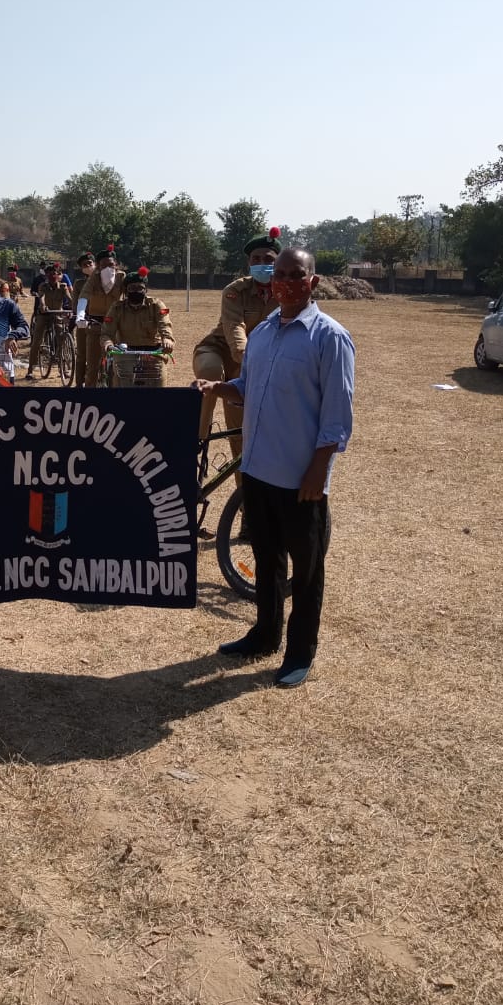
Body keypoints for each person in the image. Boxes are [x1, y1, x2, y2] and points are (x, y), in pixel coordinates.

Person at [194, 248, 354, 688]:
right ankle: (265, 635)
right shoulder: (263, 331)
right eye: (279, 275)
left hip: (300, 479)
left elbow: (338, 416)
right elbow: (248, 385)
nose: (284, 282)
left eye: (294, 275)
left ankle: (300, 653)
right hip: (258, 472)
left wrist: (318, 473)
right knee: (267, 562)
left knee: (305, 572)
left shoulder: (329, 337)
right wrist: (218, 386)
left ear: (312, 282)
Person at [193, 226, 282, 471]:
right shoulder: (235, 291)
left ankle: (244, 502)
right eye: (256, 259)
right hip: (221, 351)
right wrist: (248, 360)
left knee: (241, 434)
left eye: (268, 260)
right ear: (248, 263)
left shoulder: (285, 292)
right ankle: (197, 439)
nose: (262, 263)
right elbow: (235, 328)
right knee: (210, 372)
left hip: (252, 366)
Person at [101, 266, 174, 386]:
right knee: (123, 382)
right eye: (132, 288)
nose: (136, 291)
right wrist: (108, 344)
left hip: (153, 352)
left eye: (140, 288)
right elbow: (106, 332)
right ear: (125, 291)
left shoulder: (156, 305)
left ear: (146, 290)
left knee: (158, 384)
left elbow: (165, 325)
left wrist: (167, 339)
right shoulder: (117, 308)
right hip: (125, 352)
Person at [75, 245, 126, 386]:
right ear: (98, 266)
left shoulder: (122, 277)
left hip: (116, 326)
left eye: (111, 265)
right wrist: (80, 315)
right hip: (96, 325)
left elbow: (129, 294)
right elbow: (84, 296)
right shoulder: (94, 279)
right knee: (92, 368)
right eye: (104, 265)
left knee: (120, 368)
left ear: (116, 264)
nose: (108, 268)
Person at [25, 264, 73, 381]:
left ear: (58, 275)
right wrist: (42, 305)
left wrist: (72, 309)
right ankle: (31, 369)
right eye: (49, 273)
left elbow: (69, 298)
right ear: (46, 275)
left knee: (62, 340)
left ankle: (64, 367)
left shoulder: (63, 286)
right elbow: (41, 297)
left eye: (54, 273)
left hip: (57, 314)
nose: (52, 276)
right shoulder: (43, 285)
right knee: (37, 341)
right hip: (44, 315)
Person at [70, 252, 96, 386]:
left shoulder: (105, 280)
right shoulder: (79, 284)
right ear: (81, 269)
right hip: (84, 322)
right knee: (81, 356)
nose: (88, 266)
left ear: (95, 264)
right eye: (84, 265)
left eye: (90, 263)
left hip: (102, 322)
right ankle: (79, 384)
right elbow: (75, 303)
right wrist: (79, 316)